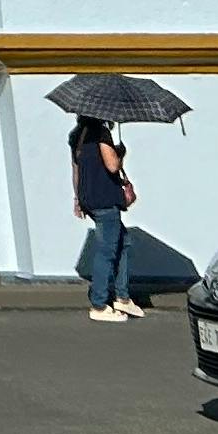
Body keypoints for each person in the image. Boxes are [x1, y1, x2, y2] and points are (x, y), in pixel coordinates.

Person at [71, 112, 140, 320]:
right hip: (105, 199)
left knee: (122, 242)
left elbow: (76, 170)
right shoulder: (101, 133)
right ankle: (99, 305)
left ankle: (123, 297)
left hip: (89, 198)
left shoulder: (77, 135)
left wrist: (77, 199)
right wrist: (120, 153)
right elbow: (112, 165)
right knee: (107, 251)